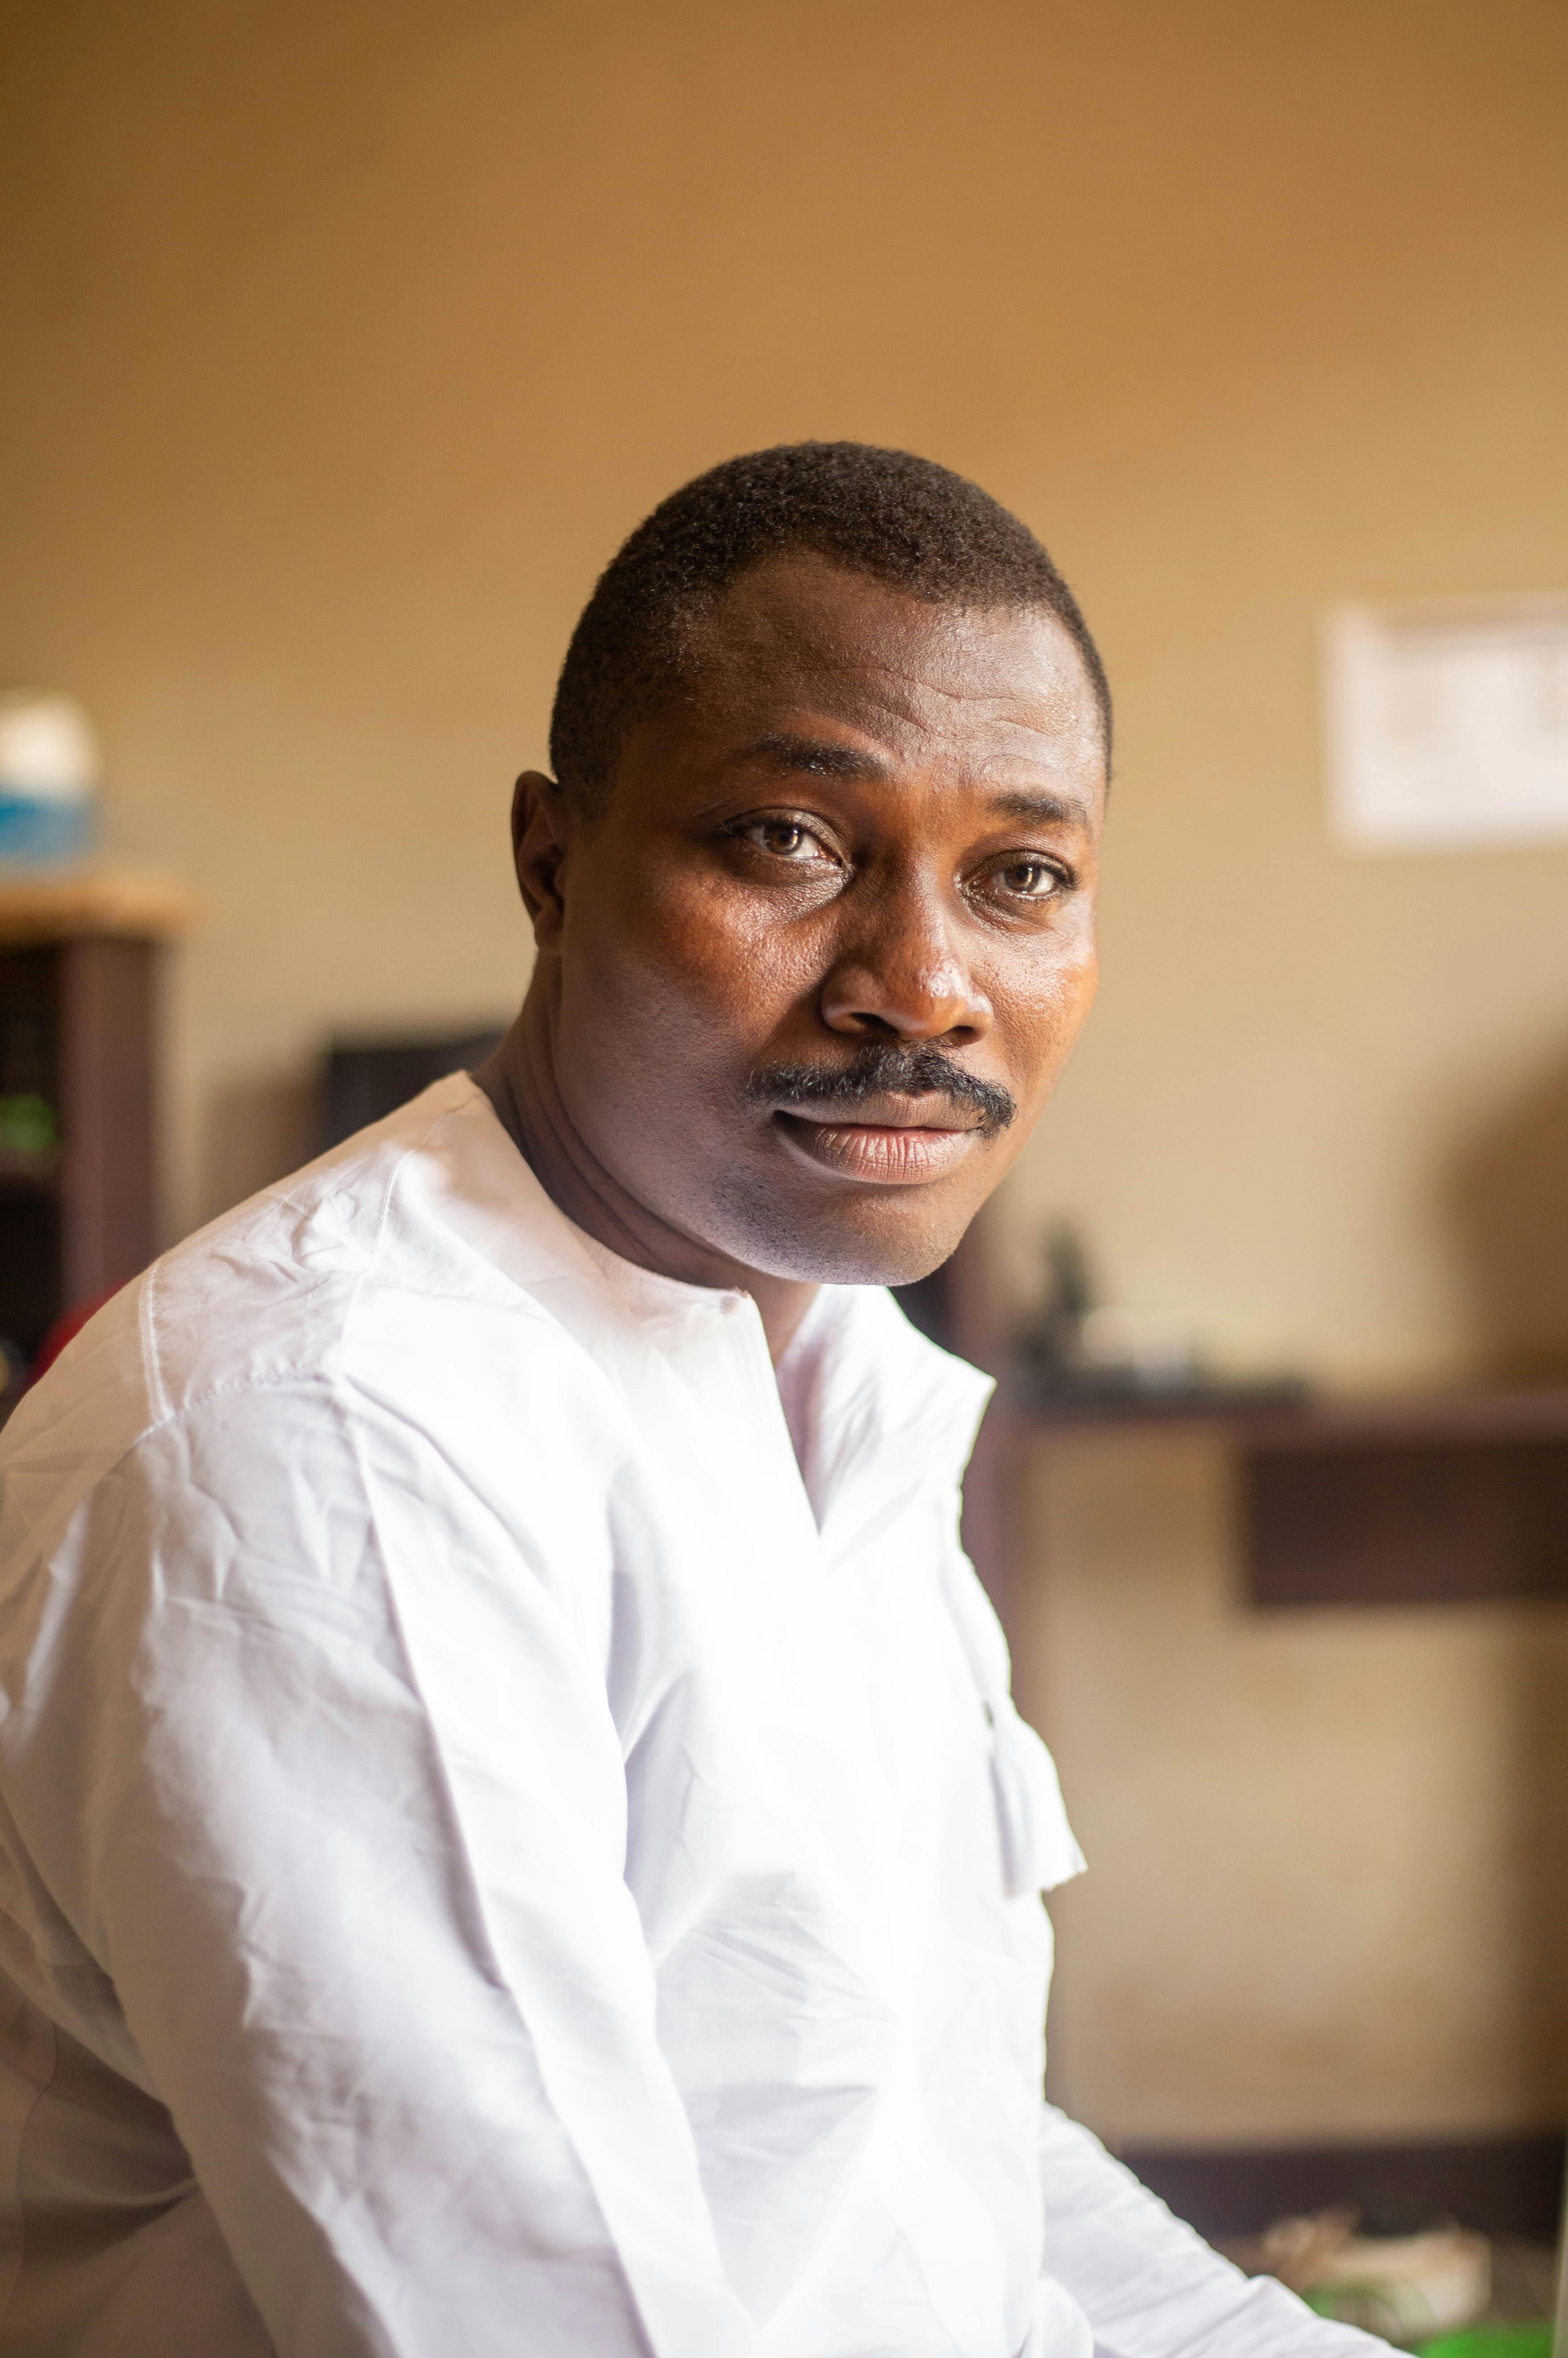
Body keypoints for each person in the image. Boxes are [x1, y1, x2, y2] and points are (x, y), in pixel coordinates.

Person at [0, 446, 1370, 2358]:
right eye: (789, 845)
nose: (923, 984)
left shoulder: (823, 1372)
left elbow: (905, 2150)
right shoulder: (332, 1444)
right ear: (554, 864)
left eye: (1023, 876)